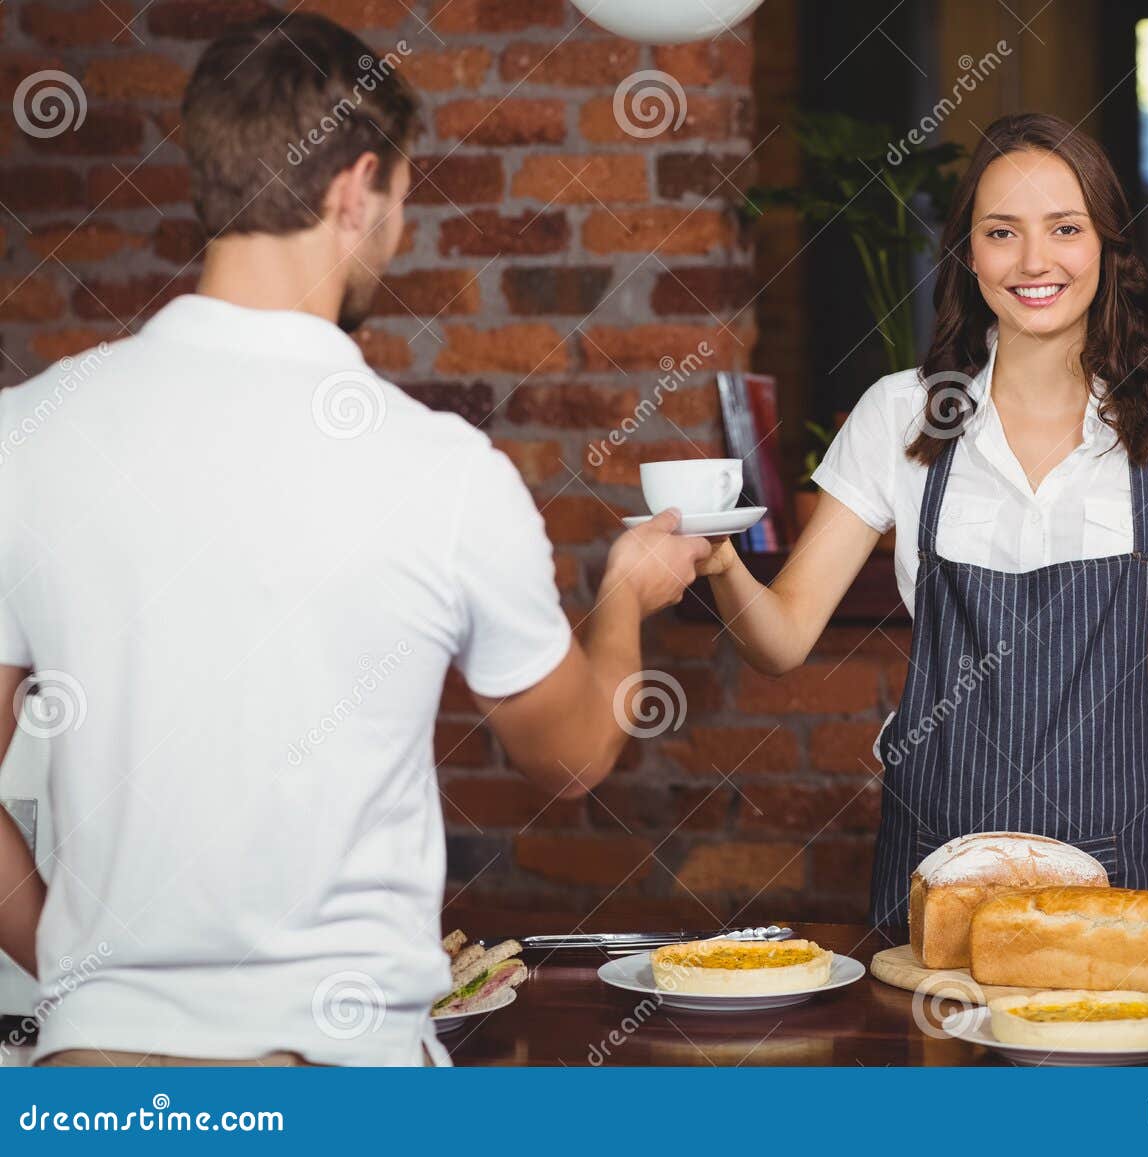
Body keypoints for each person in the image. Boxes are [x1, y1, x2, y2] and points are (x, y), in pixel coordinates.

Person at [0, 13, 709, 1066]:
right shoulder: (443, 468)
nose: (397, 229)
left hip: (93, 1082)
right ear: (355, 188)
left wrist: (82, 974)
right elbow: (568, 755)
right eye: (400, 199)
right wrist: (623, 598)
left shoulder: (28, 436)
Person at [699, 113, 1148, 932]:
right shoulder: (899, 415)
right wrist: (720, 565)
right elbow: (781, 639)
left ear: (1106, 243)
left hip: (1120, 864)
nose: (1035, 261)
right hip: (933, 869)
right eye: (1003, 232)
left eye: (1064, 229)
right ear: (968, 251)